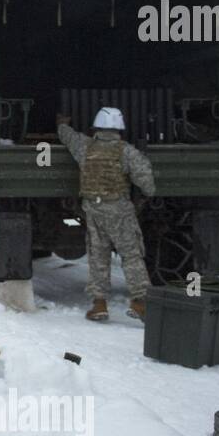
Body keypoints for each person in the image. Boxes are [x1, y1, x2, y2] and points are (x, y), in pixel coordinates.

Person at [57, 107, 156, 321]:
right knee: (131, 254)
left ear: (97, 126)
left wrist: (62, 124)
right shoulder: (126, 151)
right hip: (119, 209)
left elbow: (67, 136)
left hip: (93, 209)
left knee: (98, 256)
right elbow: (146, 181)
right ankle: (140, 302)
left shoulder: (85, 146)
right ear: (119, 128)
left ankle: (99, 304)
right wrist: (147, 193)